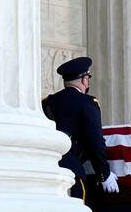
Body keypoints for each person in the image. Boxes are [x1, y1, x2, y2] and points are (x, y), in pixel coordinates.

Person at [42, 56, 119, 201]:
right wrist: (104, 174)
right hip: (72, 172)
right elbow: (95, 143)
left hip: (48, 169)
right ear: (84, 80)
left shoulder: (47, 102)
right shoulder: (88, 103)